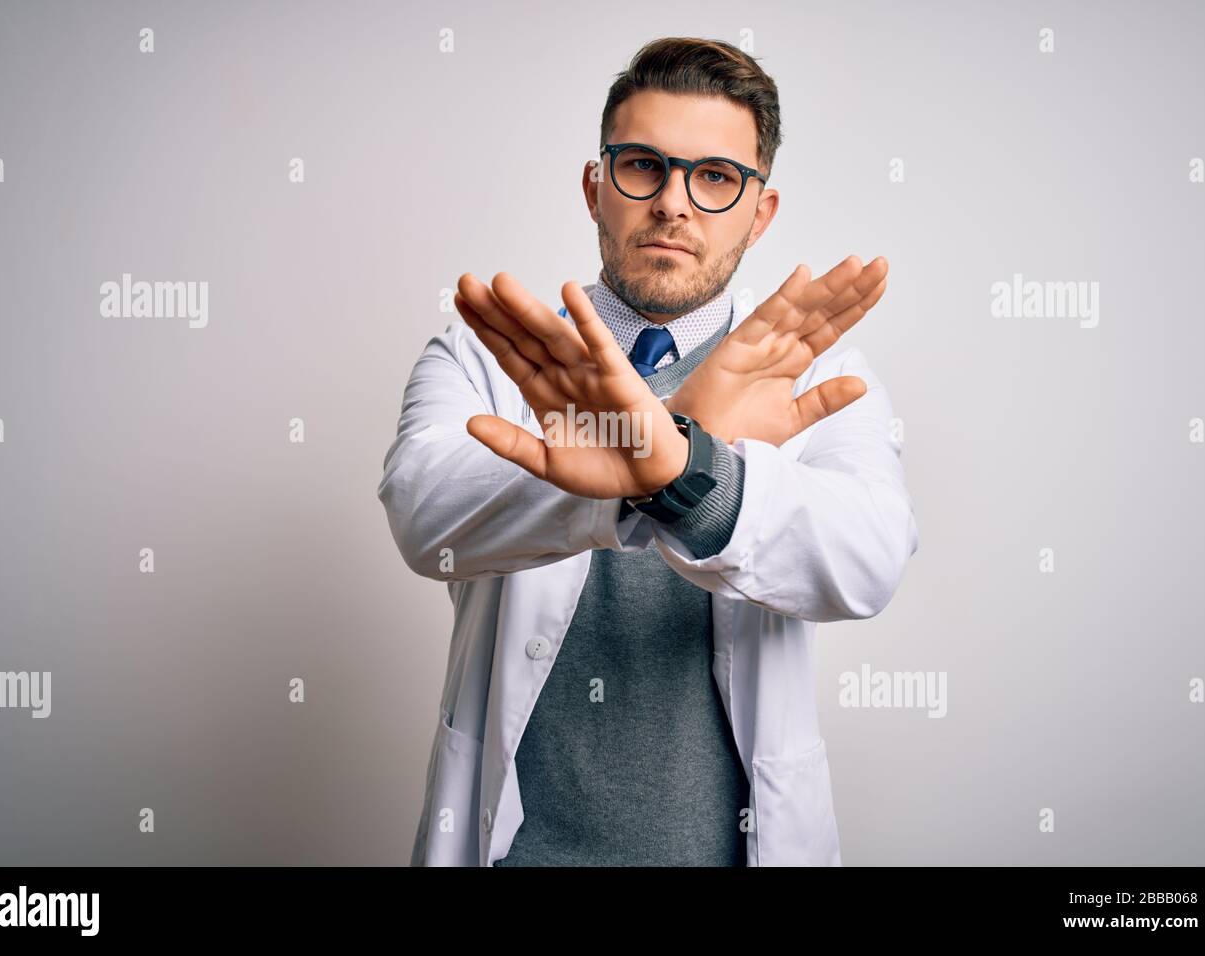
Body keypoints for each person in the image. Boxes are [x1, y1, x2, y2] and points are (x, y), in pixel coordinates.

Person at [379, 36, 919, 866]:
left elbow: (867, 559)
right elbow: (426, 516)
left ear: (759, 211)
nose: (674, 203)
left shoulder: (818, 372)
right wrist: (642, 460)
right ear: (596, 188)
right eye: (643, 167)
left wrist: (681, 467)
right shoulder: (486, 354)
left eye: (714, 178)